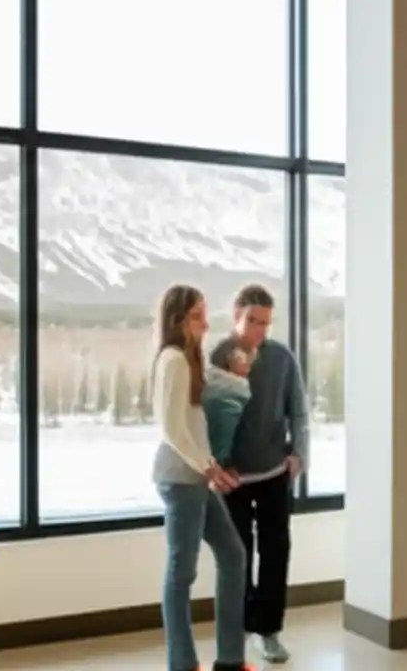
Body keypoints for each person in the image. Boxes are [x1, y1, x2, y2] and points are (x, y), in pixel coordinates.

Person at [151, 284, 255, 671]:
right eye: (198, 315)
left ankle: (230, 659)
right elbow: (172, 429)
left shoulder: (188, 361)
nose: (207, 323)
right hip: (181, 479)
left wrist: (211, 466)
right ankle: (182, 664)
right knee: (182, 572)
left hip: (193, 477)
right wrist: (208, 467)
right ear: (179, 321)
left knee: (232, 554)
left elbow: (193, 424)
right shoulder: (174, 360)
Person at [211, 284, 309, 664]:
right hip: (232, 478)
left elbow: (298, 410)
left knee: (276, 551)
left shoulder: (282, 358)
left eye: (265, 323)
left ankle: (267, 631)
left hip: (273, 473)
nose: (259, 330)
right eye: (252, 320)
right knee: (238, 555)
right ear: (236, 314)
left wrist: (299, 453)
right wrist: (216, 464)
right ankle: (237, 629)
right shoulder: (216, 356)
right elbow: (206, 416)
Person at [204, 346, 256, 470]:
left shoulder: (207, 387)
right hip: (210, 467)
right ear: (227, 362)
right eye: (240, 359)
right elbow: (222, 437)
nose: (247, 364)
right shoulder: (234, 392)